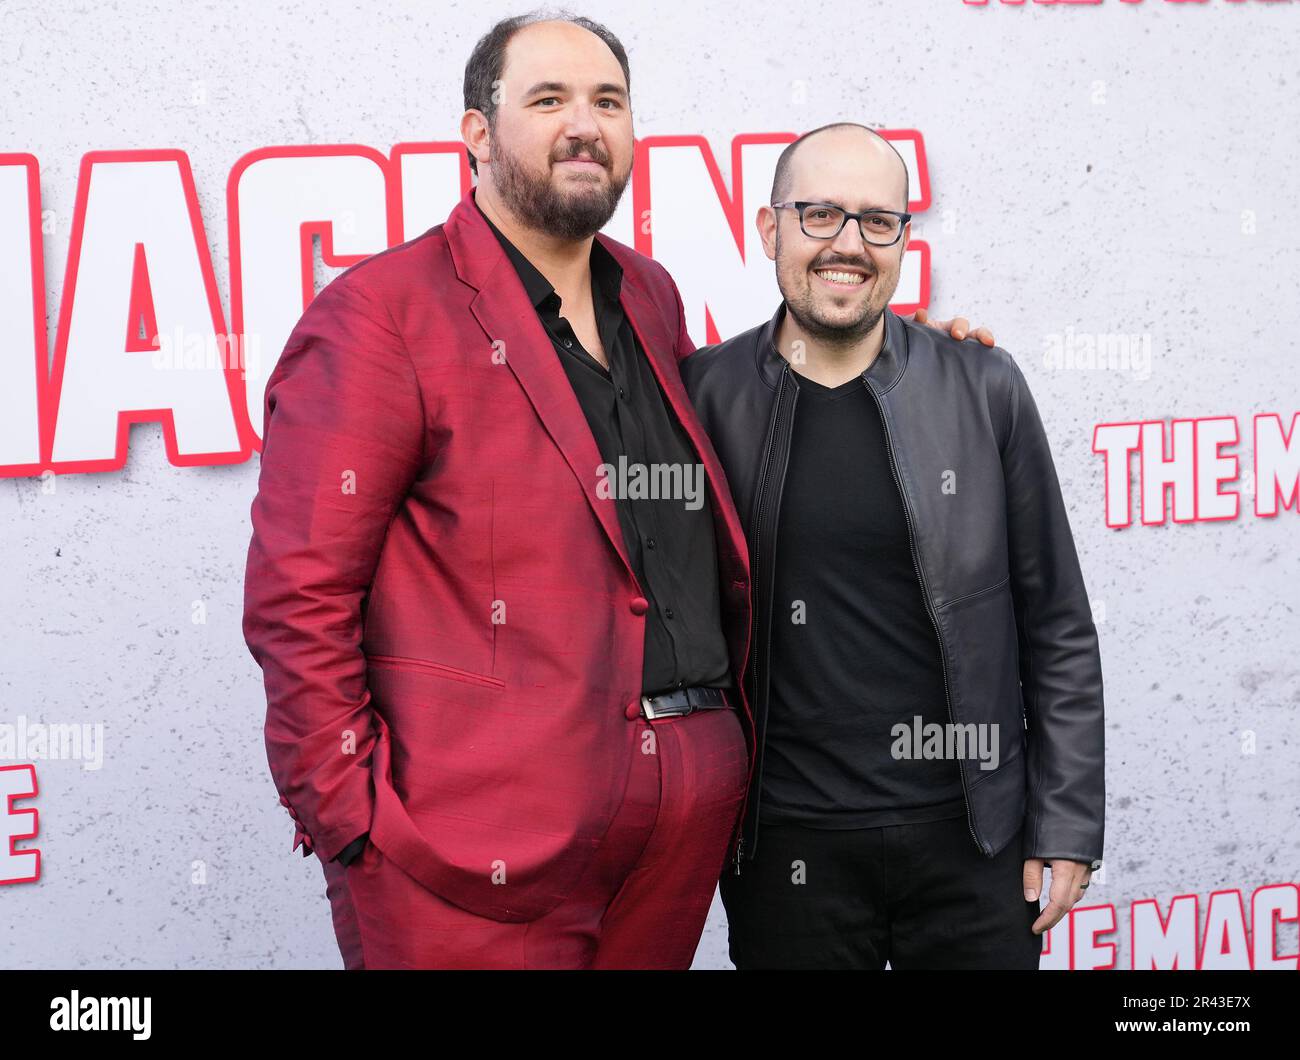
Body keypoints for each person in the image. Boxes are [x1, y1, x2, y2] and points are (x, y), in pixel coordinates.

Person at [243, 13, 982, 969]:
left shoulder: (650, 293)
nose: (583, 124)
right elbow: (299, 596)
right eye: (547, 99)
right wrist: (355, 827)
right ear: (476, 135)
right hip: (476, 844)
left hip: (683, 821)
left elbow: (753, 420)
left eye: (608, 102)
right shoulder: (379, 314)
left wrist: (921, 361)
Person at [680, 123, 1105, 969]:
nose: (849, 244)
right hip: (784, 853)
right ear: (769, 231)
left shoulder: (983, 387)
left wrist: (1067, 822)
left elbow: (1056, 620)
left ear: (905, 242)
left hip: (974, 846)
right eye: (820, 215)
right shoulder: (701, 397)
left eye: (878, 221)